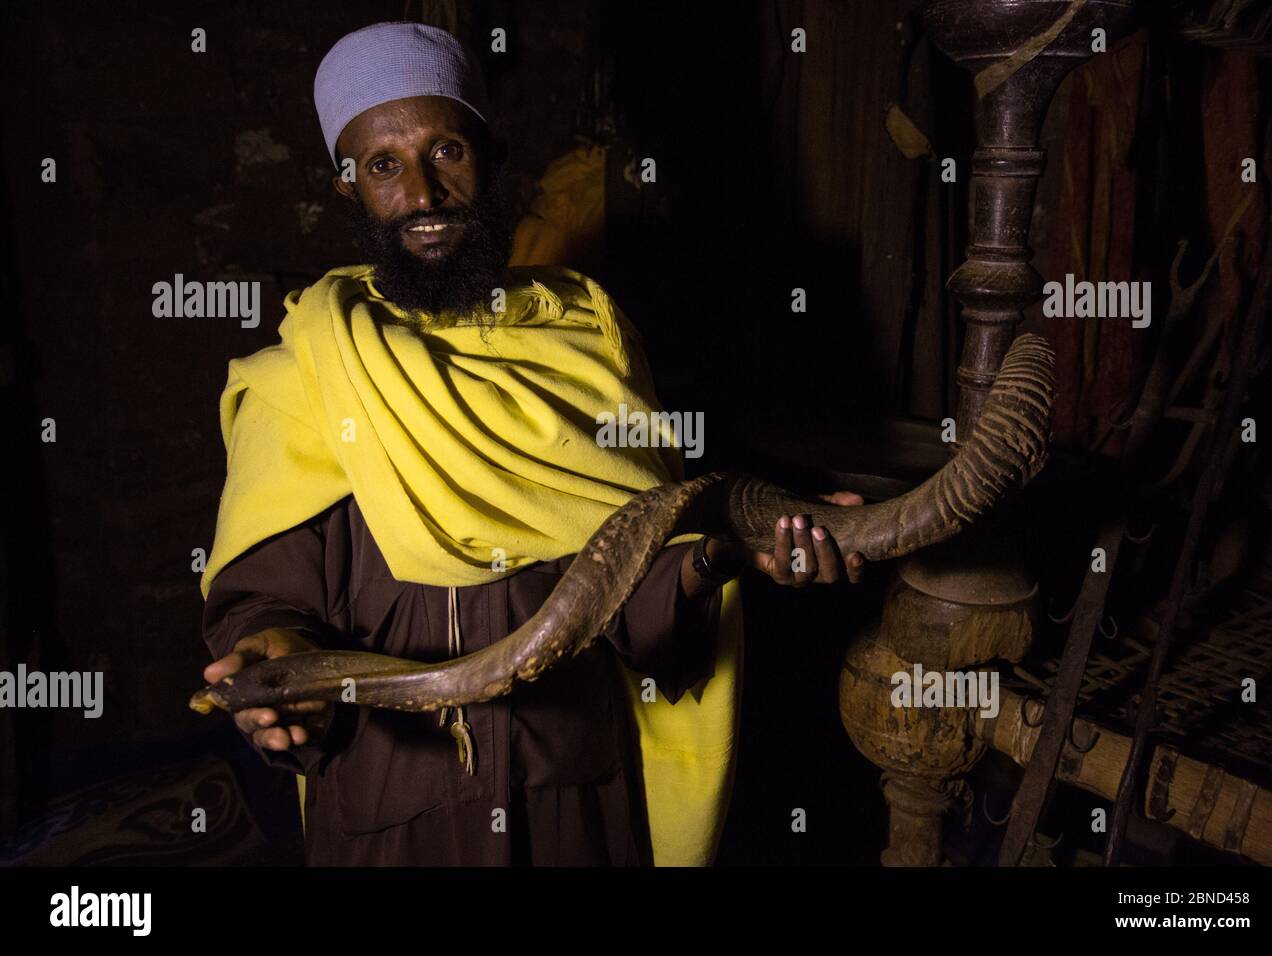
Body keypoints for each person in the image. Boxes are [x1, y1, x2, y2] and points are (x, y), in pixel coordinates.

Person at [199, 21, 866, 866]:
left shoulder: (585, 338)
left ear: (491, 153)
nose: (424, 194)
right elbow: (263, 602)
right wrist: (280, 664)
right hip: (393, 808)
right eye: (383, 165)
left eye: (446, 151)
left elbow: (636, 575)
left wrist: (730, 553)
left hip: (574, 795)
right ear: (347, 187)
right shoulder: (310, 372)